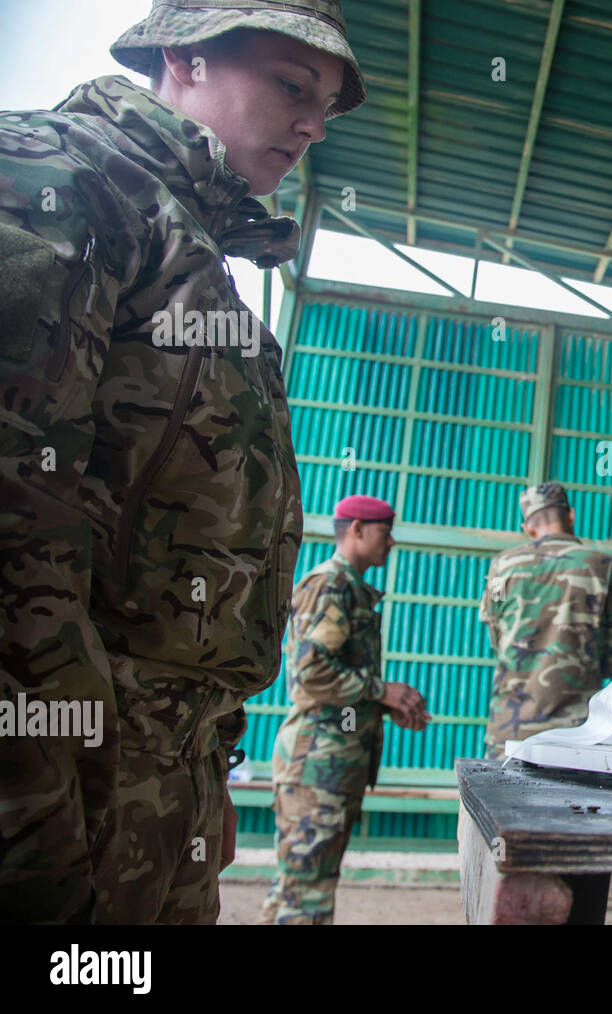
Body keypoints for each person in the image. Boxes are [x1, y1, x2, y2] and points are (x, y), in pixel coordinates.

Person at [0, 0, 364, 923]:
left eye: (325, 103)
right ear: (183, 58)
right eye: (292, 86)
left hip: (166, 785)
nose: (313, 123)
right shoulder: (63, 176)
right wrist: (34, 820)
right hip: (64, 787)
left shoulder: (199, 256)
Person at [259, 495, 428, 925]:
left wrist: (386, 703)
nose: (391, 542)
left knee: (297, 887)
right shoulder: (331, 584)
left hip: (333, 767)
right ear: (355, 529)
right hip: (317, 766)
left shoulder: (351, 588)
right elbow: (309, 675)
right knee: (306, 898)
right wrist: (380, 690)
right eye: (383, 532)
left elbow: (338, 679)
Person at [479, 483, 612, 759]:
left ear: (527, 527)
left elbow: (496, 635)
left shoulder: (500, 567)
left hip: (510, 729)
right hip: (578, 732)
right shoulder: (603, 566)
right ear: (571, 516)